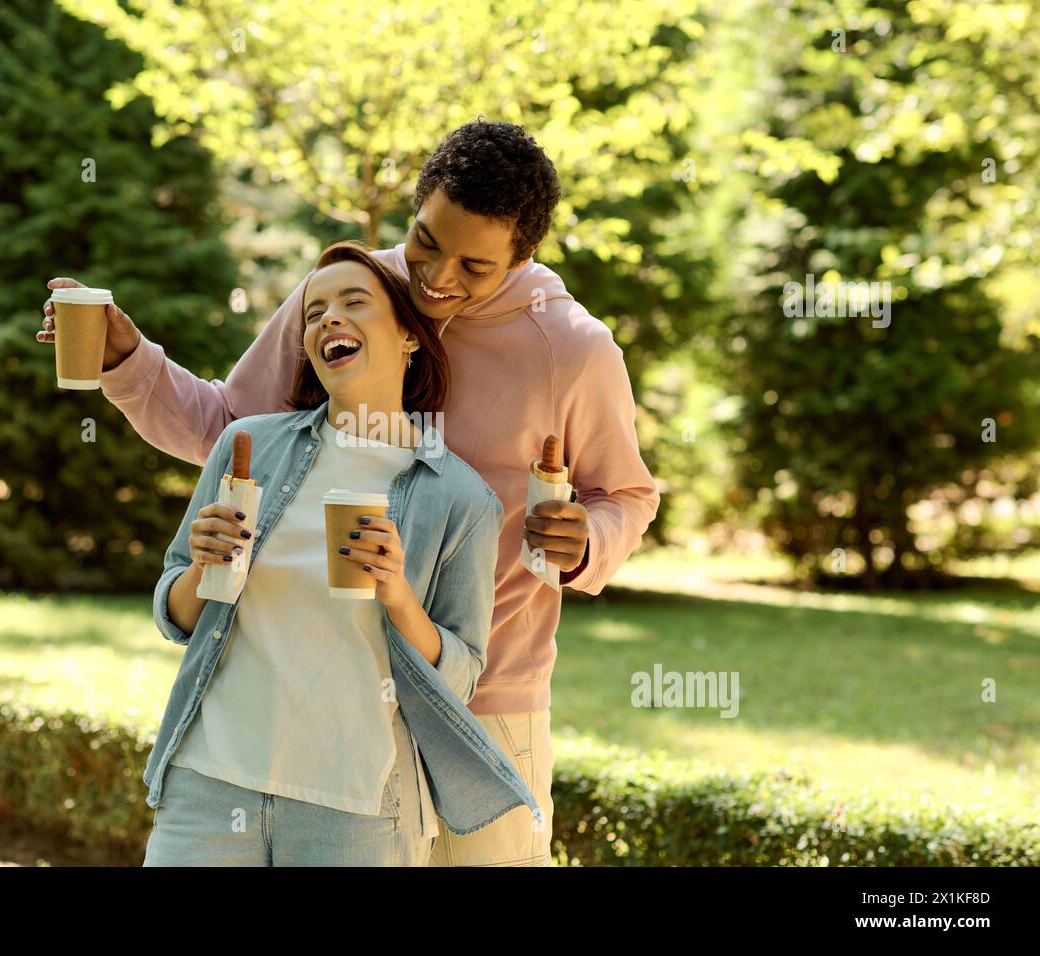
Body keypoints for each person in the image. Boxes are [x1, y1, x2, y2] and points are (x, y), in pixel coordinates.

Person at [38, 120, 660, 866]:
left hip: (485, 698)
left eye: (476, 265)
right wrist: (129, 361)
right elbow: (235, 430)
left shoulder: (572, 348)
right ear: (416, 206)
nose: (436, 279)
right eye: (426, 241)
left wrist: (589, 537)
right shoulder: (355, 294)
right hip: (337, 710)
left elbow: (625, 492)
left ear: (523, 257)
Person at [141, 240, 539, 866]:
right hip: (209, 784)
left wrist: (398, 594)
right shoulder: (248, 445)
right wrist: (200, 567)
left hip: (355, 808)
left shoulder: (461, 497)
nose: (328, 318)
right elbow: (174, 611)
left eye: (355, 302)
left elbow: (462, 672)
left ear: (410, 335)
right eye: (314, 310)